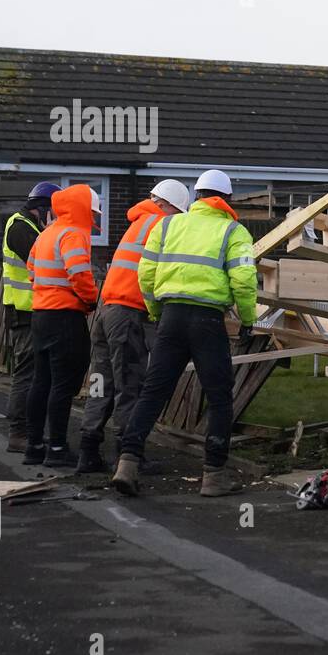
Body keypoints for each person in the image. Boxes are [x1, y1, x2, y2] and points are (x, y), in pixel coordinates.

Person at [114, 169, 257, 498]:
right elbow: (245, 280)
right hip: (207, 320)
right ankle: (213, 475)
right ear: (227, 200)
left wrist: (156, 312)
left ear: (198, 197)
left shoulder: (166, 225)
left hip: (171, 318)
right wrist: (247, 319)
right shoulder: (233, 231)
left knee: (153, 392)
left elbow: (145, 274)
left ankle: (127, 464)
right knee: (220, 396)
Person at [75, 180, 191, 474]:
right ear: (171, 206)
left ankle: (88, 451)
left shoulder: (139, 222)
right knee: (130, 385)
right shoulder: (163, 225)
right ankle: (127, 455)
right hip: (129, 315)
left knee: (101, 384)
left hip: (106, 312)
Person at [23, 183, 101, 467]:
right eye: (92, 213)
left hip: (41, 316)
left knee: (41, 381)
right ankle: (57, 447)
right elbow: (79, 274)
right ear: (82, 208)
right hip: (65, 318)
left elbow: (31, 269)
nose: (94, 220)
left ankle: (34, 446)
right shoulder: (73, 234)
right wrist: (91, 300)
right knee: (63, 385)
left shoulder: (47, 234)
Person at [1, 181, 60, 452]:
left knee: (34, 374)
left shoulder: (30, 226)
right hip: (23, 312)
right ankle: (18, 434)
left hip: (33, 311)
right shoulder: (20, 227)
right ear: (43, 209)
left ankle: (28, 432)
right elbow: (41, 258)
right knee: (25, 374)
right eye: (54, 212)